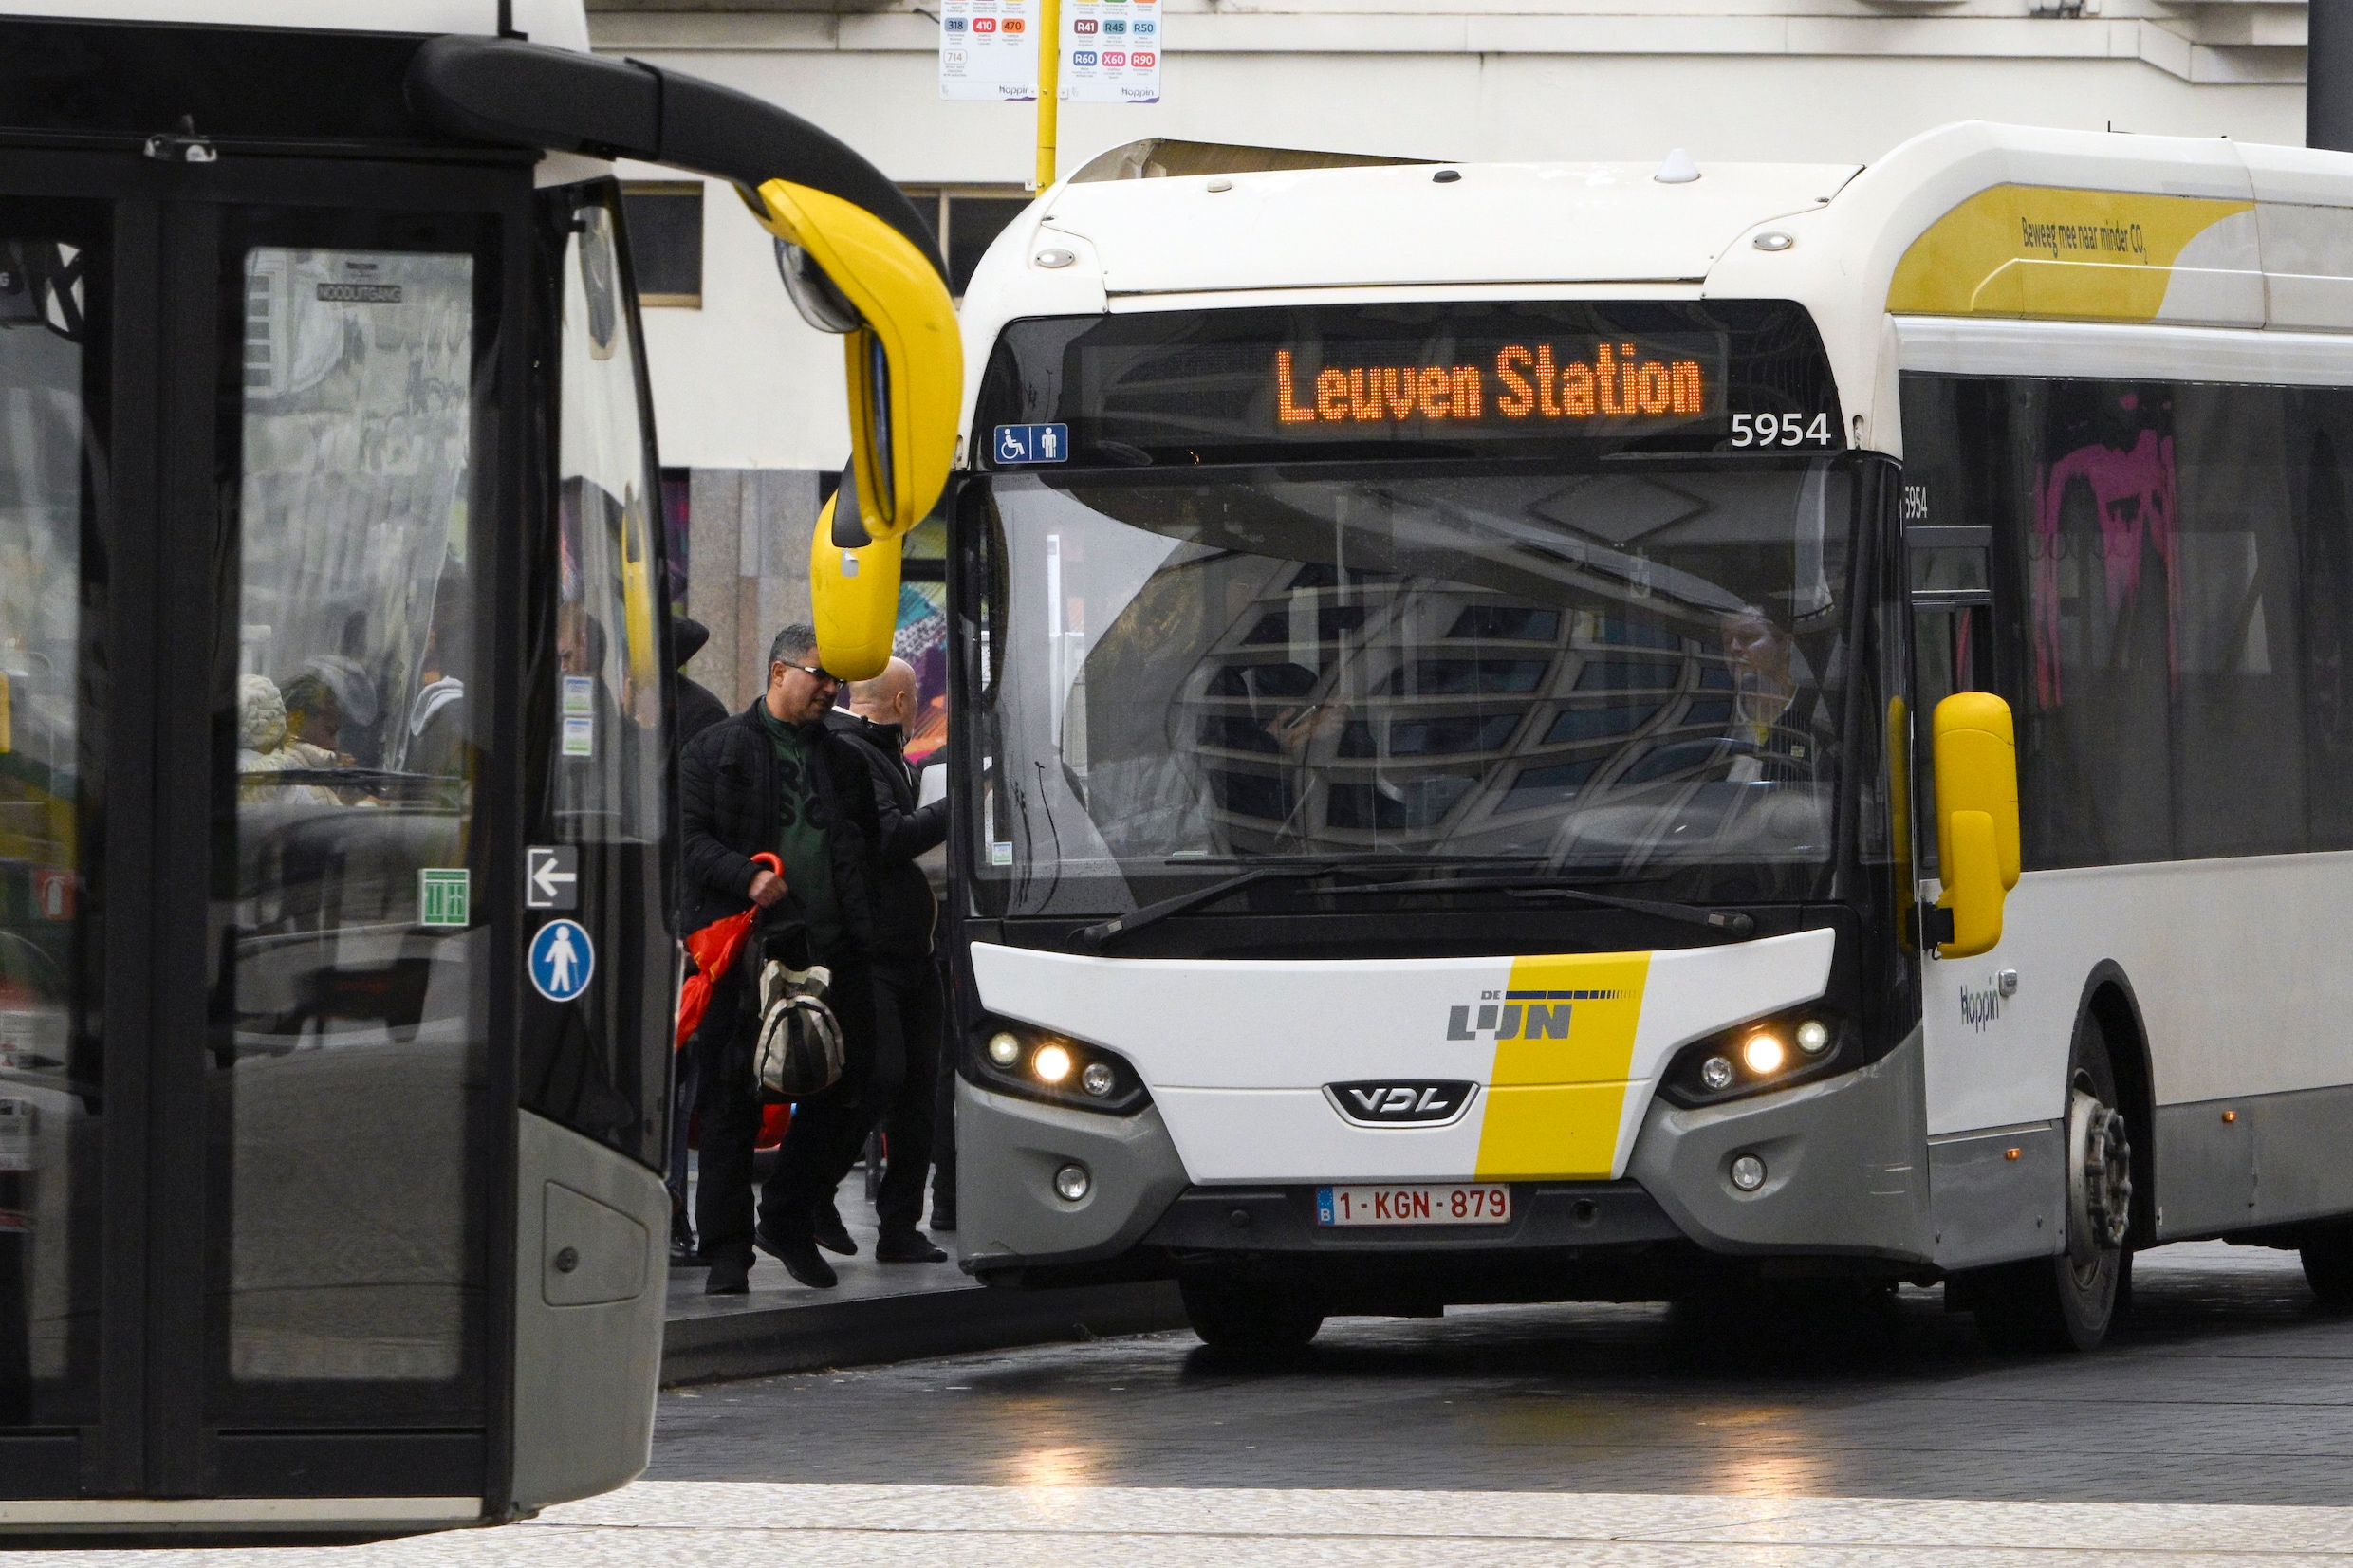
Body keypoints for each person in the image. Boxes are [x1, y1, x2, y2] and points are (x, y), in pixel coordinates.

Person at [676, 624, 879, 1294]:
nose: (829, 689)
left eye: (836, 681)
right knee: (733, 1096)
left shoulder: (845, 761)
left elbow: (863, 850)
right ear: (777, 671)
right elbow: (687, 842)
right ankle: (728, 1250)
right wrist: (746, 877)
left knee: (854, 1085)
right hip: (745, 951)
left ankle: (788, 1214)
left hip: (834, 951)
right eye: (819, 675)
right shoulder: (716, 748)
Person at [829, 656, 951, 1262]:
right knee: (886, 1077)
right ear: (903, 702)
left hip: (909, 948)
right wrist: (957, 807)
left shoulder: (884, 753)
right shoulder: (857, 753)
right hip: (878, 949)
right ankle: (811, 1192)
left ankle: (901, 1226)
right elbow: (892, 839)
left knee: (917, 1092)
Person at [663, 615, 732, 1266]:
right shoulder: (689, 711)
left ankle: (678, 1208)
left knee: (684, 1071)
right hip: (678, 913)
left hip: (684, 921)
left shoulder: (691, 716)